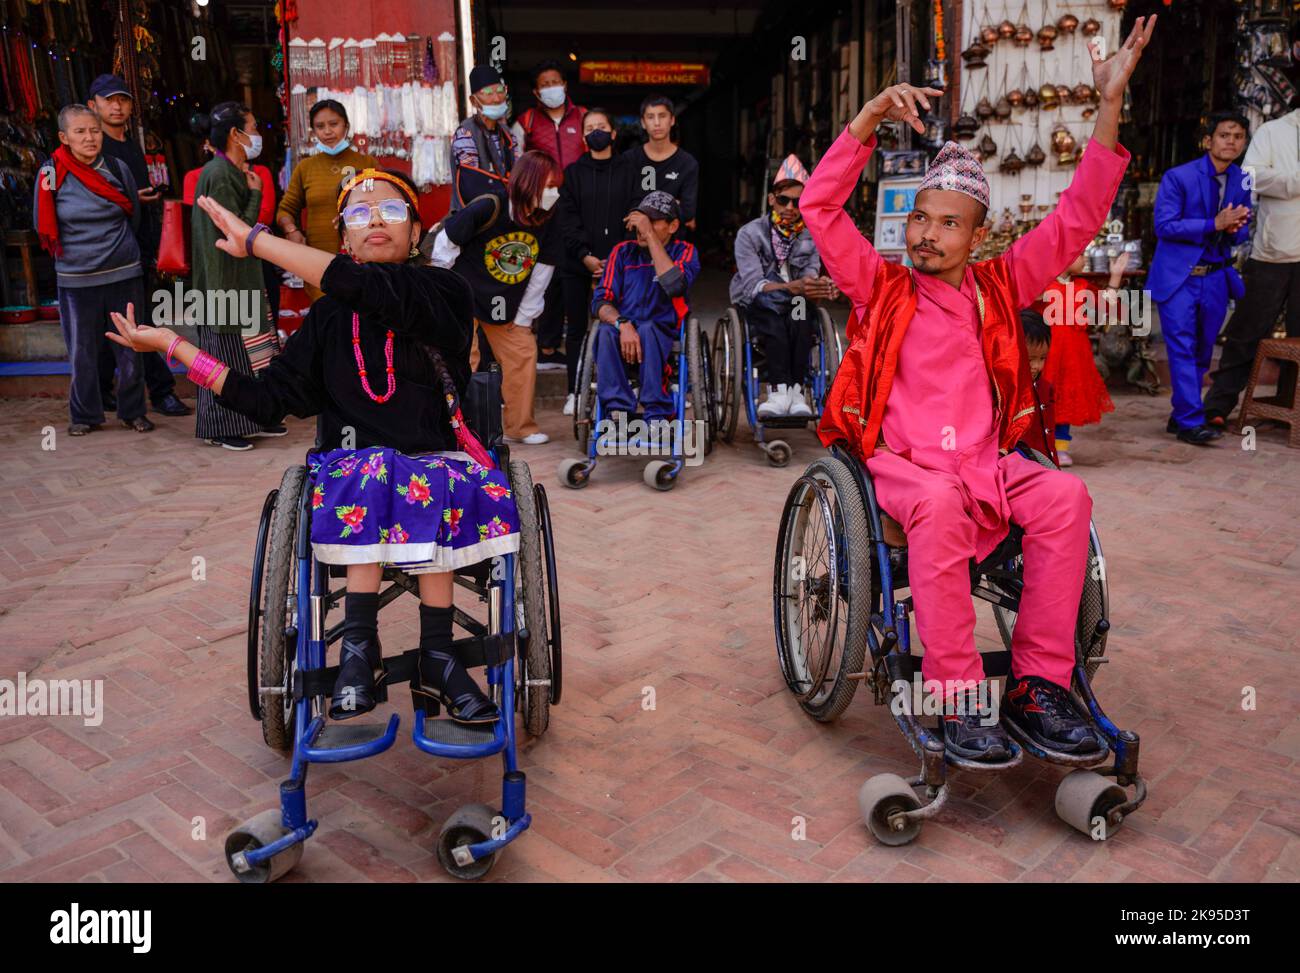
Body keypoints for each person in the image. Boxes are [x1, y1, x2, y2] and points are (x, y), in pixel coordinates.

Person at [802, 16, 1157, 762]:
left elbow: (1078, 216)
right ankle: (959, 696)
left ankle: (1037, 686)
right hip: (906, 469)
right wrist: (866, 121)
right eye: (920, 220)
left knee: (1065, 497)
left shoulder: (1001, 286)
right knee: (934, 504)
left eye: (947, 225)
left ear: (977, 236)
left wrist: (1108, 106)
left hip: (988, 467)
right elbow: (821, 209)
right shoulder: (880, 285)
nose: (925, 234)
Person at [106, 168, 513, 725]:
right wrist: (173, 345)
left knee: (421, 474)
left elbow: (369, 288)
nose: (375, 220)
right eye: (358, 214)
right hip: (355, 473)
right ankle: (357, 649)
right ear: (342, 240)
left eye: (391, 212)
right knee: (367, 471)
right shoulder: (325, 319)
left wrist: (256, 242)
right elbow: (266, 400)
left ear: (416, 232)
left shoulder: (442, 291)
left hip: (432, 468)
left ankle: (437, 655)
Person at [35, 104, 153, 436]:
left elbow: (132, 213)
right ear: (64, 137)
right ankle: (84, 415)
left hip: (122, 271)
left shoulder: (116, 166)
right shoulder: (51, 173)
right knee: (82, 352)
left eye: (95, 131)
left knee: (129, 348)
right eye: (80, 132)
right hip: (76, 277)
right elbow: (41, 223)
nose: (90, 138)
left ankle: (133, 412)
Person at [432, 150, 563, 445]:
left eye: (557, 187)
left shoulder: (551, 218)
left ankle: (521, 427)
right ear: (529, 183)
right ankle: (452, 427)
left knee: (523, 353)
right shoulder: (491, 205)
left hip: (508, 302)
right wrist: (444, 295)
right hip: (464, 295)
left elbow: (544, 268)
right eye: (548, 187)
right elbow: (445, 244)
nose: (554, 194)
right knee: (463, 358)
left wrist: (524, 317)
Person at [88, 73, 189, 418]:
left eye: (123, 100)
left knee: (122, 318)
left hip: (138, 245)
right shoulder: (94, 148)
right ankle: (161, 392)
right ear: (93, 106)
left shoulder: (132, 143)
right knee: (136, 320)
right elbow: (90, 201)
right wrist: (134, 200)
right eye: (108, 100)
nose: (117, 106)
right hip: (109, 248)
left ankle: (104, 391)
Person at [1148, 110, 1251, 445]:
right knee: (1181, 347)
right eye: (1224, 135)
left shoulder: (1242, 178)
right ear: (1208, 141)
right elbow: (1164, 226)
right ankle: (1192, 421)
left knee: (1203, 351)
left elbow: (1241, 230)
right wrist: (1214, 224)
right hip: (1180, 277)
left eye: (1237, 136)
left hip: (1216, 278)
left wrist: (1235, 228)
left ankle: (1181, 416)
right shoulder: (1178, 177)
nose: (1231, 142)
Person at [1201, 89, 1300, 429]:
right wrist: (1295, 180)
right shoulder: (1276, 131)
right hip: (1273, 252)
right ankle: (1218, 404)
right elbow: (1251, 174)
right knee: (1247, 333)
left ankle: (1290, 407)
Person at [191, 102, 284, 451]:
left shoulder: (227, 171)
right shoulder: (219, 174)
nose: (257, 134)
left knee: (249, 352)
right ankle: (219, 425)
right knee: (222, 352)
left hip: (236, 277)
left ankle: (252, 416)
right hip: (222, 280)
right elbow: (236, 229)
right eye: (253, 126)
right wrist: (257, 193)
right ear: (235, 134)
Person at [729, 153, 837, 419]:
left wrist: (820, 286)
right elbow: (754, 284)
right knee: (774, 315)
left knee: (801, 314)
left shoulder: (811, 237)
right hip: (759, 298)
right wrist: (794, 287)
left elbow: (810, 275)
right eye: (783, 200)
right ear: (771, 201)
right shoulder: (749, 234)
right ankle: (778, 391)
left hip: (795, 301)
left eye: (797, 202)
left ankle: (797, 390)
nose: (790, 207)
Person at [590, 191, 700, 424]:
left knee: (649, 329)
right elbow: (600, 300)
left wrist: (650, 238)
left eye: (652, 222)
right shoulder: (622, 252)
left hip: (662, 330)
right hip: (624, 328)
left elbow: (674, 285)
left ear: (672, 226)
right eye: (641, 221)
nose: (642, 228)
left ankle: (657, 411)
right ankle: (617, 412)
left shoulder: (685, 251)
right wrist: (623, 324)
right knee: (605, 331)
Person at [556, 108, 634, 415]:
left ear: (613, 134)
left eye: (602, 126)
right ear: (584, 136)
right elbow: (567, 218)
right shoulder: (573, 173)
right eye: (589, 128)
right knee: (576, 329)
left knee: (622, 323)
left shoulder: (630, 169)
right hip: (578, 262)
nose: (596, 132)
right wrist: (585, 255)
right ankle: (575, 391)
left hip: (623, 263)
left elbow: (634, 212)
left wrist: (616, 257)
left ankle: (625, 386)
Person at [276, 99, 377, 302]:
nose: (328, 131)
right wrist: (291, 231)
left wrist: (356, 215)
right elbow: (285, 210)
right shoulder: (305, 168)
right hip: (318, 265)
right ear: (314, 132)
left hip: (363, 260)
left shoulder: (366, 163)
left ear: (346, 126)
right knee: (327, 319)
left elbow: (381, 204)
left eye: (334, 124)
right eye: (320, 127)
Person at [1029, 250, 1117, 465]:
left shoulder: (1082, 287)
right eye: (1081, 255)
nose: (1085, 260)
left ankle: (1060, 447)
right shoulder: (1044, 286)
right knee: (1040, 398)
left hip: (1074, 356)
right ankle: (1035, 445)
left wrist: (1116, 276)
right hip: (1047, 355)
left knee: (1066, 399)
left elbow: (1108, 306)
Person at [623, 95, 699, 231]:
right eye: (650, 117)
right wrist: (672, 203)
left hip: (673, 243)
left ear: (672, 120)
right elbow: (624, 204)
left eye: (662, 116)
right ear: (643, 122)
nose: (657, 123)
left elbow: (687, 212)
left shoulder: (687, 163)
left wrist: (643, 210)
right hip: (636, 238)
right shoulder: (630, 159)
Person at [449, 65, 516, 213]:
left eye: (500, 91)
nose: (496, 98)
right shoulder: (465, 134)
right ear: (473, 101)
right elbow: (472, 184)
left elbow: (518, 172)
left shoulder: (507, 134)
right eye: (488, 93)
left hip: (503, 213)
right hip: (473, 215)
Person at [1018, 309, 1059, 465]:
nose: (1037, 366)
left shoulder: (1045, 388)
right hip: (1021, 469)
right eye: (1030, 359)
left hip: (1047, 465)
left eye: (1042, 358)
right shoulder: (1006, 392)